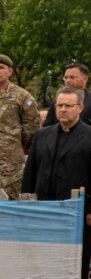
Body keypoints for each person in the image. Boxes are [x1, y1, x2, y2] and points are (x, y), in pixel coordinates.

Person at [21, 85, 91, 279]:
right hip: (44, 209)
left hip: (77, 211)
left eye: (68, 106)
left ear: (79, 108)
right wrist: (26, 204)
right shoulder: (42, 135)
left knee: (75, 261)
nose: (63, 110)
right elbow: (30, 172)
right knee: (44, 258)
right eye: (59, 105)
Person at [0, 54, 41, 200]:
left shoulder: (22, 96)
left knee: (10, 205)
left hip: (10, 167)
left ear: (10, 71)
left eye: (1, 68)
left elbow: (31, 129)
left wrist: (15, 148)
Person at [42, 62, 91, 134]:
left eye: (72, 77)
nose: (68, 81)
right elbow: (47, 126)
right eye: (66, 77)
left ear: (85, 79)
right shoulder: (58, 100)